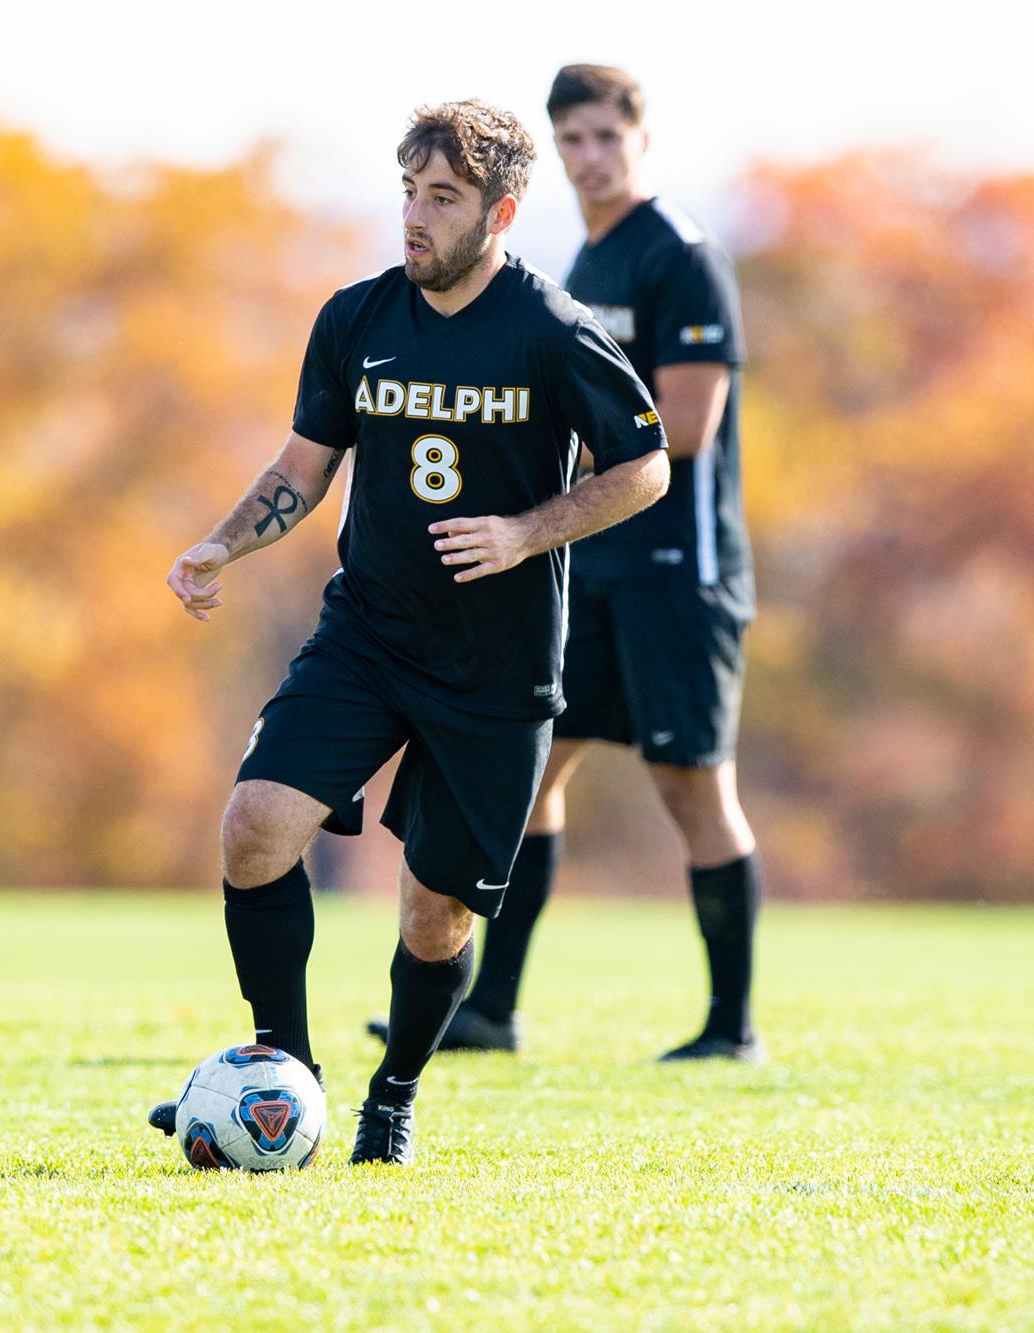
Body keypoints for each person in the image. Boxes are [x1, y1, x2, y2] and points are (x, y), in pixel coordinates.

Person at [152, 99, 670, 1166]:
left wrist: (529, 530)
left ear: (500, 211)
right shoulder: (355, 317)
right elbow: (303, 468)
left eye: (443, 199)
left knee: (435, 917)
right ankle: (280, 1078)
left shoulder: (553, 329)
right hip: (368, 633)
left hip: (496, 665)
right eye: (408, 194)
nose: (416, 219)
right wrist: (220, 545)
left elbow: (644, 466)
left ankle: (392, 1094)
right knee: (254, 825)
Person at [371, 65, 766, 1063]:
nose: (588, 158)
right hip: (586, 562)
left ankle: (730, 1028)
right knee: (534, 769)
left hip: (677, 566)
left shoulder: (679, 256)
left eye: (602, 137)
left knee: (689, 783)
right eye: (570, 141)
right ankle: (491, 1009)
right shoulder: (586, 262)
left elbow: (683, 425)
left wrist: (537, 470)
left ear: (639, 139)